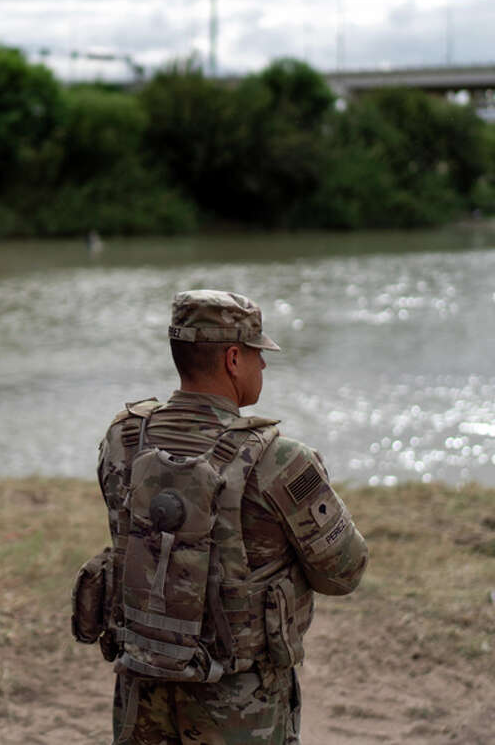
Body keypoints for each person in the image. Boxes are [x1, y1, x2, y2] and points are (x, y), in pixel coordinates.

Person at [93, 289, 368, 744]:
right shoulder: (280, 460)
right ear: (233, 359)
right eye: (259, 353)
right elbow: (344, 572)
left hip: (141, 690)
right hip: (241, 706)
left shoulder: (123, 439)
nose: (264, 366)